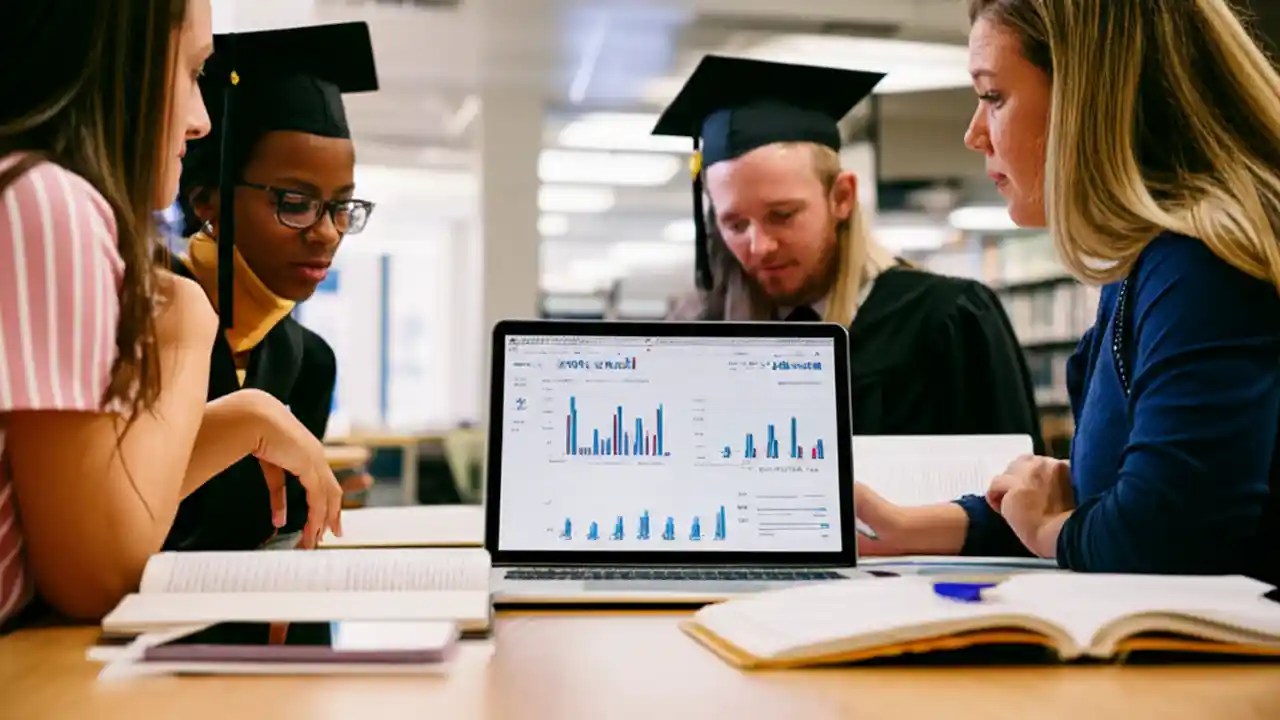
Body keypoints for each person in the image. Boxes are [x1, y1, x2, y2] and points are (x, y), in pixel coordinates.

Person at [854, 0, 1280, 582]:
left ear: (1086, 99)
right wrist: (904, 526)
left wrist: (1048, 529)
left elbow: (1164, 534)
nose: (974, 133)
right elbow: (1101, 504)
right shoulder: (1147, 262)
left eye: (993, 97)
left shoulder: (1200, 263)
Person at [0, 0, 344, 626]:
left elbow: (97, 510)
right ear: (118, 65)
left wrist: (243, 415)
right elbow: (98, 576)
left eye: (342, 208)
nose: (201, 121)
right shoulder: (45, 201)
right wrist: (189, 324)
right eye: (190, 74)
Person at [656, 55, 1044, 445]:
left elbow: (1018, 495)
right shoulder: (703, 334)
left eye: (783, 214)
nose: (759, 247)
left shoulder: (946, 320)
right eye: (735, 224)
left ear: (842, 197)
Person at [167, 22, 379, 552]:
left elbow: (283, 541)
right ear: (206, 200)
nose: (327, 232)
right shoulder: (142, 323)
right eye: (294, 202)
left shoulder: (308, 363)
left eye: (341, 207)